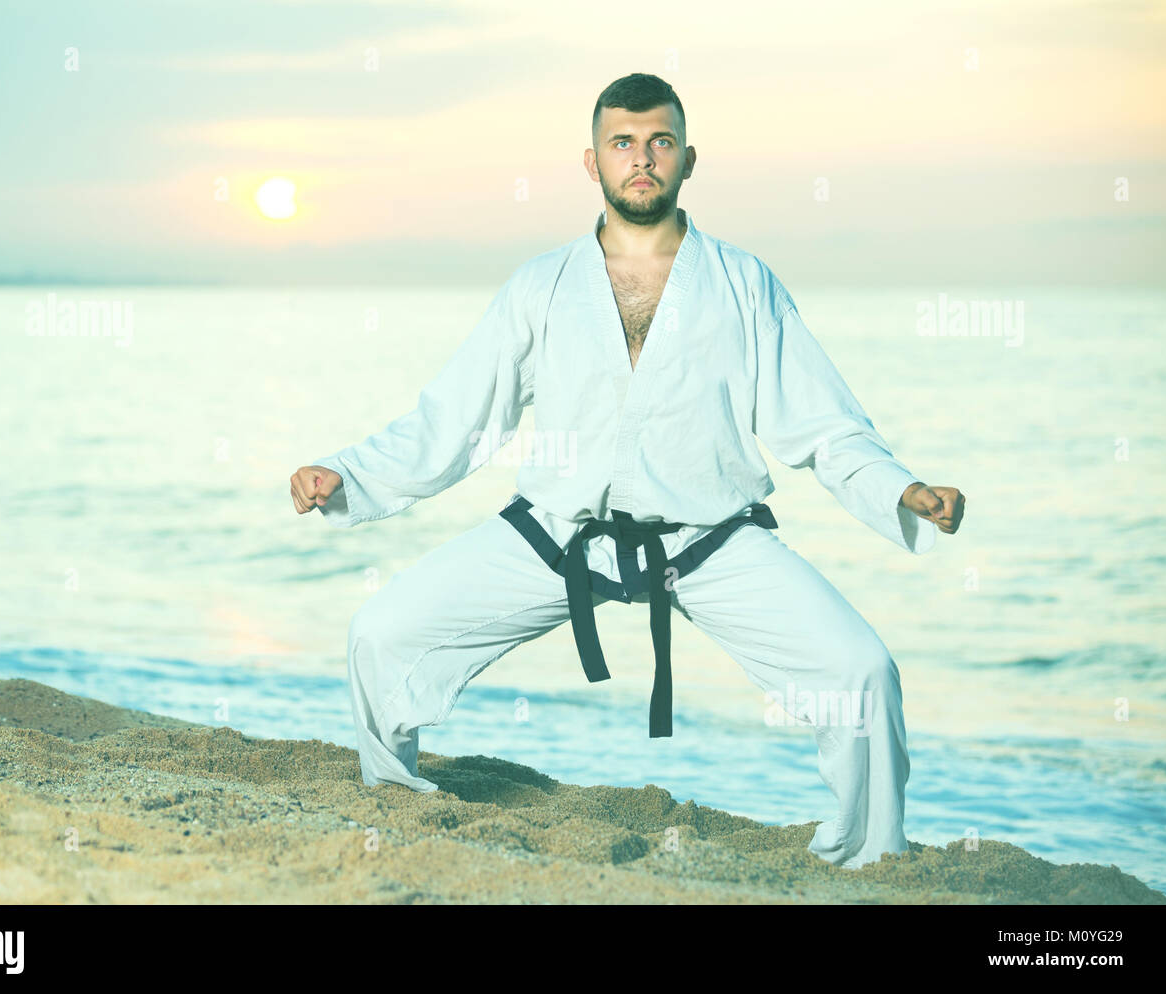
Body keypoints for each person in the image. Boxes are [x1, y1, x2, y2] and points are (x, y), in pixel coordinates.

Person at [289, 73, 965, 870]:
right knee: (381, 631)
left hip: (707, 539)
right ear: (592, 161)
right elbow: (456, 421)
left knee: (861, 671)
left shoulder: (744, 282)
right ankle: (392, 801)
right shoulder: (541, 285)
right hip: (555, 532)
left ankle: (872, 857)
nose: (641, 158)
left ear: (687, 159)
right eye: (623, 143)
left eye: (659, 142)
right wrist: (345, 473)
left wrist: (902, 490)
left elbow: (820, 422)